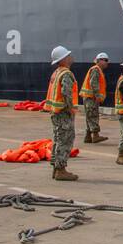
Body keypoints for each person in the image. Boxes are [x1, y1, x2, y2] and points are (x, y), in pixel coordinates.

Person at [44, 45, 79, 181]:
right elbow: (66, 93)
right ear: (64, 59)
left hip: (56, 112)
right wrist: (71, 108)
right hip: (64, 113)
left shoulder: (56, 73)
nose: (71, 57)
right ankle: (61, 169)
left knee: (58, 139)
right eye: (68, 55)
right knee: (65, 139)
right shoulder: (66, 74)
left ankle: (56, 167)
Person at [81, 52, 110, 144]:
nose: (107, 62)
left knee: (89, 116)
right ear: (99, 61)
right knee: (93, 115)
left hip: (89, 97)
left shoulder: (97, 70)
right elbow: (93, 82)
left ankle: (88, 136)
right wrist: (97, 95)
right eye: (105, 60)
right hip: (91, 97)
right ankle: (95, 136)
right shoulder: (96, 69)